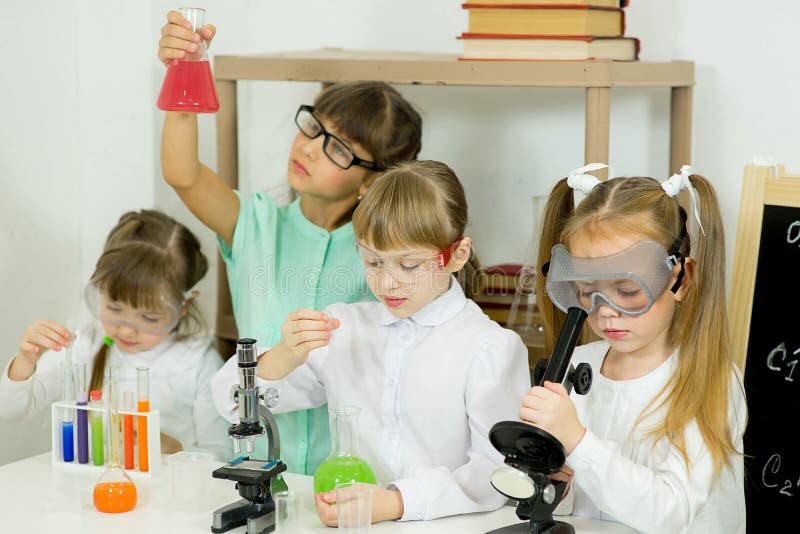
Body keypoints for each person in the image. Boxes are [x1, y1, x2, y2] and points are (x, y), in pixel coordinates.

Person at [157, 10, 423, 475]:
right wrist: (186, 69)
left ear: (371, 182)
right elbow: (183, 174)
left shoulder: (390, 257)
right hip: (255, 468)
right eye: (313, 127)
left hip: (355, 476)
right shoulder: (254, 221)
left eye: (338, 149)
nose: (309, 148)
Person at [212, 160, 530, 524]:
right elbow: (229, 402)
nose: (388, 283)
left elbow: (499, 473)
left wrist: (397, 502)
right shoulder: (344, 329)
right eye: (373, 262)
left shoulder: (490, 348)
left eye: (409, 265)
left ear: (457, 255)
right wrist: (284, 356)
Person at [520, 165, 747, 532]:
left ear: (681, 278)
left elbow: (671, 513)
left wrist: (577, 442)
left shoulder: (711, 381)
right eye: (587, 290)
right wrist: (551, 477)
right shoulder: (578, 363)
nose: (606, 310)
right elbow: (579, 503)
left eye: (627, 290)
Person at [0, 210, 232, 460]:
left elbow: (222, 456)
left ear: (183, 307)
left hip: (172, 485)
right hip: (90, 484)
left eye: (149, 318)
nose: (126, 329)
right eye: (114, 308)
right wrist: (26, 360)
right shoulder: (85, 346)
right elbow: (10, 410)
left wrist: (174, 448)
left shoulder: (199, 364)